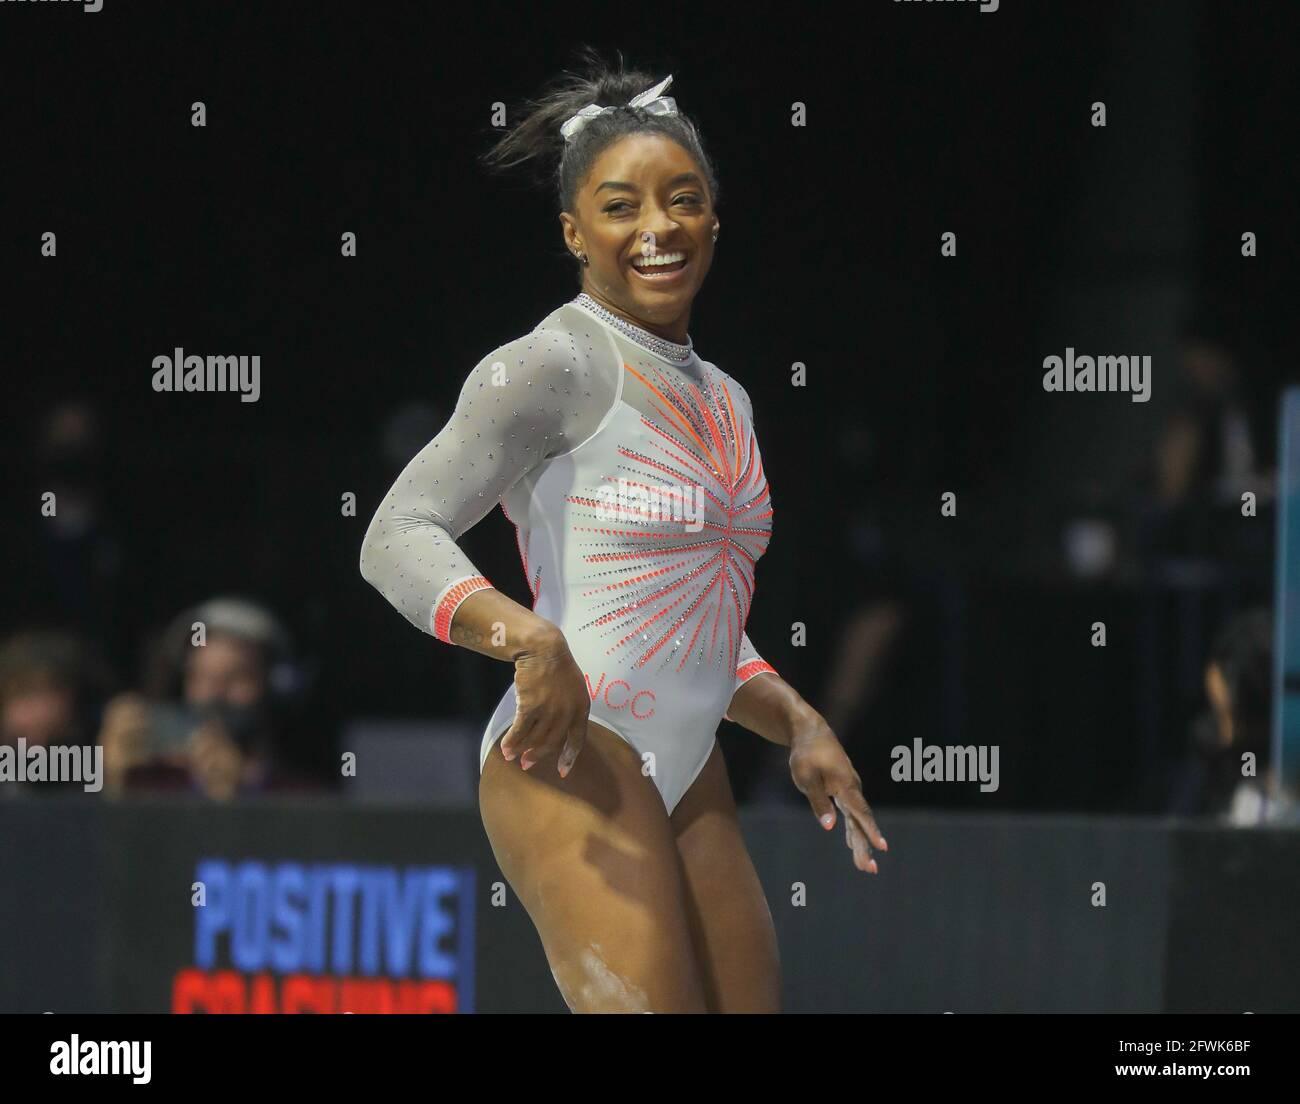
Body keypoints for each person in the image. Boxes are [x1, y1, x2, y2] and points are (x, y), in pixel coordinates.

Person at [360, 51, 886, 1013]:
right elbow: (395, 532)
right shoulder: (549, 365)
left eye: (681, 200)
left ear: (714, 218)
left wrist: (801, 721)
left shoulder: (729, 400)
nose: (657, 229)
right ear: (574, 232)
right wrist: (525, 636)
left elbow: (697, 629)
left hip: (687, 766)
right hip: (571, 745)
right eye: (620, 207)